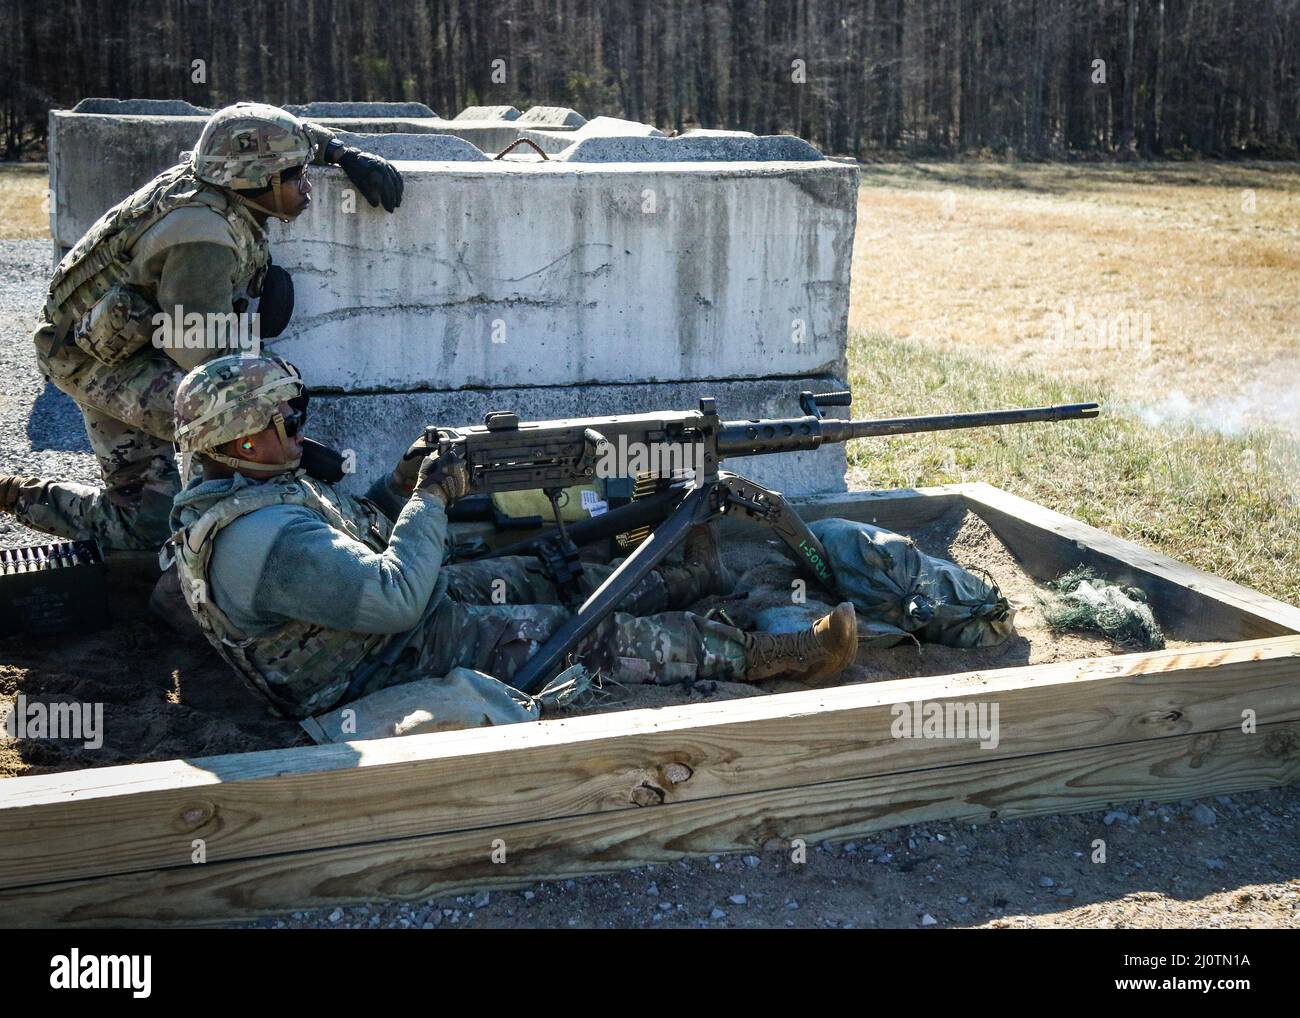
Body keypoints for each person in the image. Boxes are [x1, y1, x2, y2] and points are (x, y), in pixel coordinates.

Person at [166, 354, 859, 720]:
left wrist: (403, 484)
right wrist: (435, 496)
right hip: (373, 662)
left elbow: (367, 535)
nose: (297, 425)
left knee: (535, 571)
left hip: (376, 623)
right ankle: (769, 654)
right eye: (285, 417)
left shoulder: (247, 491)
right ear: (243, 437)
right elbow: (393, 599)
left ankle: (686, 579)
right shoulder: (260, 539)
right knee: (572, 634)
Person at [1, 102, 404, 551]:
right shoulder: (202, 238)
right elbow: (211, 379)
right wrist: (292, 448)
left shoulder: (222, 171)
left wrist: (344, 154)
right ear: (255, 181)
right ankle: (18, 495)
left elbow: (273, 131)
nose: (307, 186)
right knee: (200, 469)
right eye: (295, 177)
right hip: (90, 357)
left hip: (136, 336)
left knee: (156, 513)